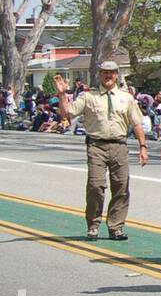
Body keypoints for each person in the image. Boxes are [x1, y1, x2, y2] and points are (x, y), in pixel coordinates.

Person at [53, 64, 150, 240]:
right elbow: (67, 114)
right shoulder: (89, 96)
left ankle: (116, 227)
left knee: (121, 187)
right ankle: (93, 224)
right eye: (105, 73)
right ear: (100, 75)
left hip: (119, 145)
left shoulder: (126, 98)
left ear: (117, 75)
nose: (108, 76)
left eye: (111, 73)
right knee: (95, 186)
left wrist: (143, 147)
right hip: (96, 145)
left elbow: (136, 123)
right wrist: (61, 94)